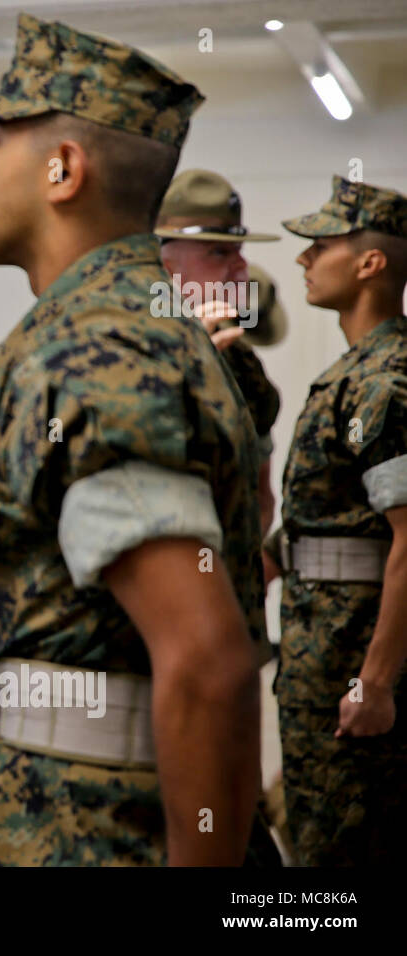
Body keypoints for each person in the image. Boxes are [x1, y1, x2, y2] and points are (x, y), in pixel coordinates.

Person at [0, 13, 267, 865]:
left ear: (63, 168)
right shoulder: (128, 324)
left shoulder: (95, 344)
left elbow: (206, 660)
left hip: (82, 827)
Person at [274, 175, 407, 865]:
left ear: (370, 263)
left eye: (318, 245)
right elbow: (326, 517)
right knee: (320, 834)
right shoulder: (354, 372)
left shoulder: (386, 379)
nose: (303, 258)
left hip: (349, 660)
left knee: (347, 848)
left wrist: (376, 682)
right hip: (319, 654)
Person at [155, 169, 282, 542]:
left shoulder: (239, 361)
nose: (241, 267)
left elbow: (261, 497)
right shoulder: (128, 351)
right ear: (168, 270)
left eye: (239, 251)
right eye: (218, 252)